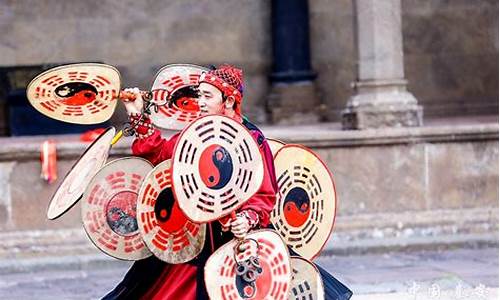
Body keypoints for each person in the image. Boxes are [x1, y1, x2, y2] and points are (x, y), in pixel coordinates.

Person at [103, 65, 278, 300]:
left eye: (208, 96)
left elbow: (265, 195)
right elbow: (160, 155)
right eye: (199, 95)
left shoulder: (252, 139)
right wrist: (137, 113)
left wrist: (248, 218)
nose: (201, 102)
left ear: (229, 101)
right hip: (191, 238)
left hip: (233, 245)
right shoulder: (196, 133)